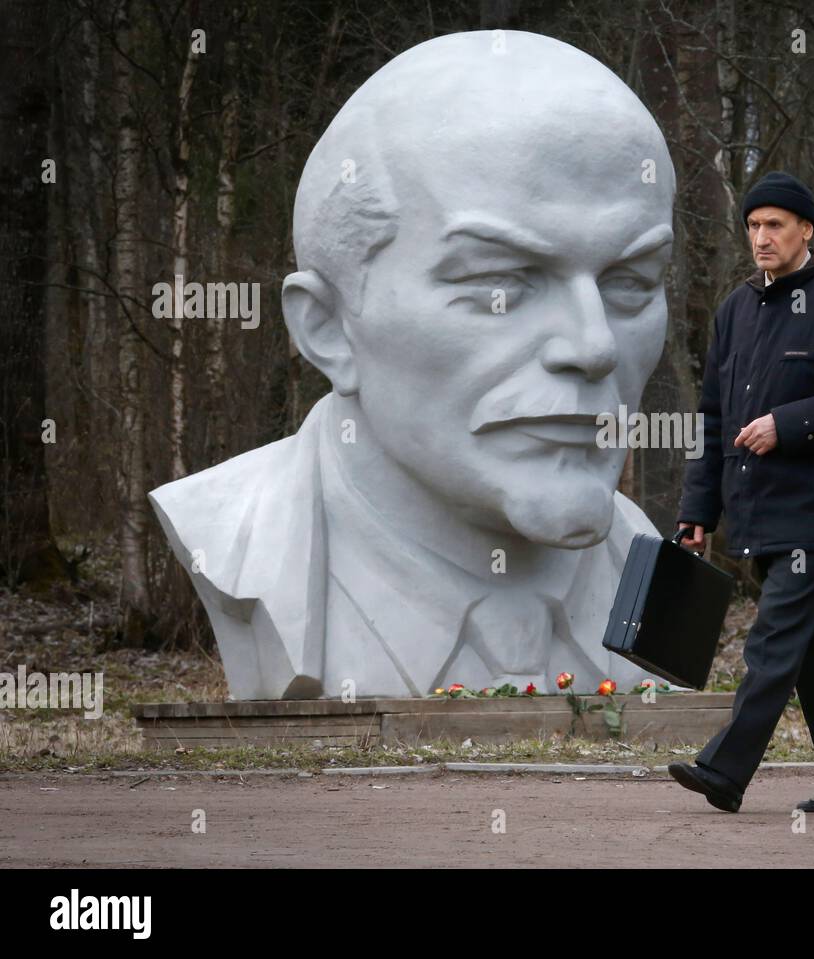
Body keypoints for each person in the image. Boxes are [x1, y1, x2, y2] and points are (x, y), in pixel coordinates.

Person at [148, 31, 677, 699]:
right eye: (501, 283)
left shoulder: (653, 574)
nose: (594, 344)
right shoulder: (229, 538)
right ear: (329, 327)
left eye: (629, 282)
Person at [668, 171, 814, 813]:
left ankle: (725, 767)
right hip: (754, 508)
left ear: (806, 231)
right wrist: (697, 510)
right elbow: (712, 420)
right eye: (753, 225)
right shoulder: (734, 310)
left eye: (775, 225)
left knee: (771, 640)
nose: (761, 237)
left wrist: (788, 425)